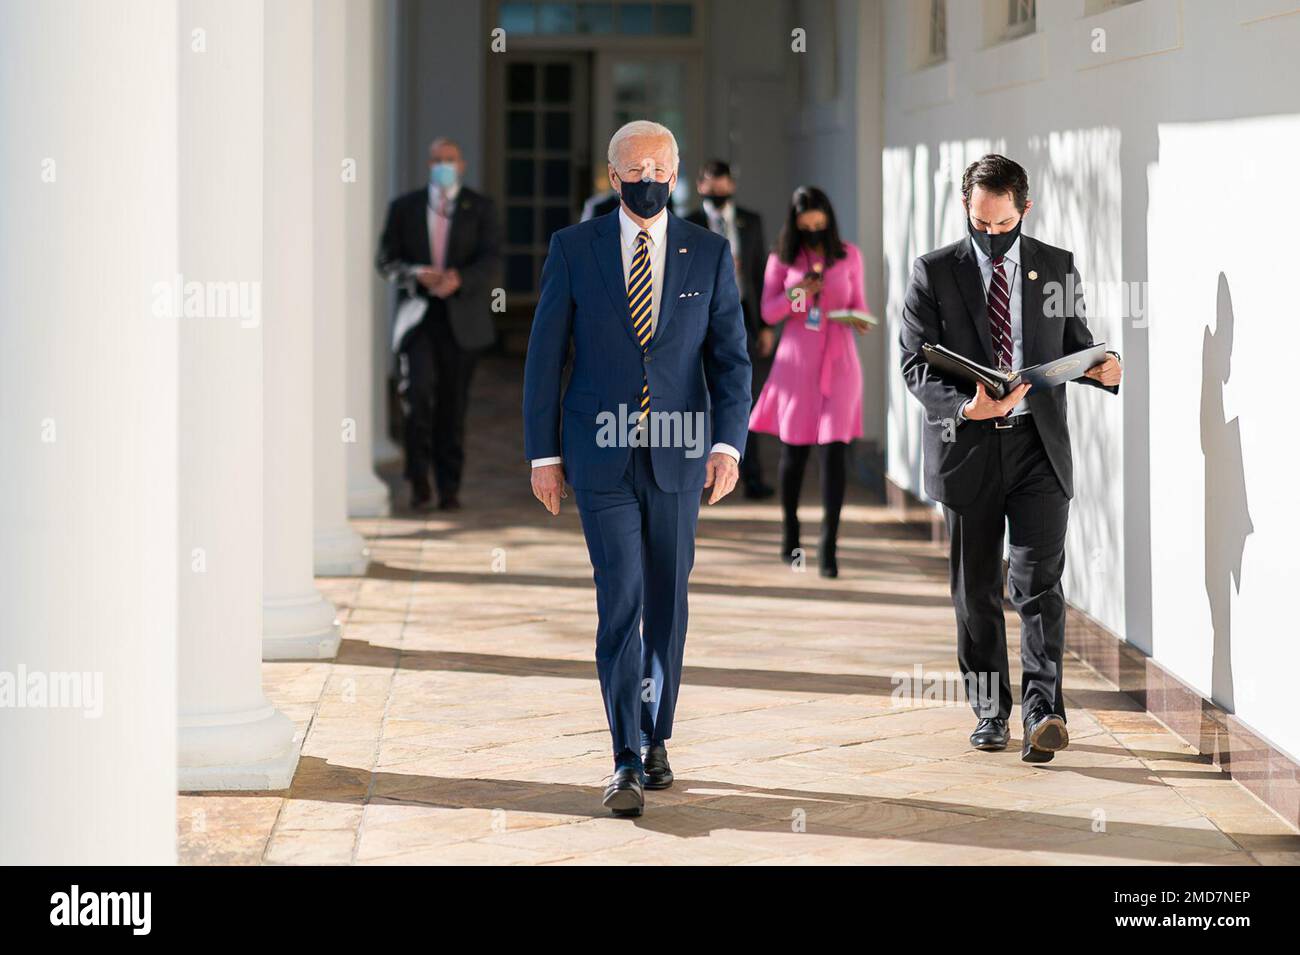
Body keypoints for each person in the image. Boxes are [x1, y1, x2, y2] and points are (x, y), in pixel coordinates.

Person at [522, 120, 751, 817]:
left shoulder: (708, 254)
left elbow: (731, 359)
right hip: (600, 457)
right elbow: (544, 356)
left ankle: (658, 736)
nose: (648, 178)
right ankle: (623, 754)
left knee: (667, 605)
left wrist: (728, 444)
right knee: (619, 600)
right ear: (613, 176)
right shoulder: (573, 248)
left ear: (675, 172)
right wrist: (544, 454)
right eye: (634, 168)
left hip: (681, 457)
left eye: (659, 166)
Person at [898, 154, 1122, 762]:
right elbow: (914, 364)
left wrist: (1102, 369)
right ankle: (991, 712)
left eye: (1002, 226)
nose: (991, 238)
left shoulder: (1055, 266)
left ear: (1025, 208)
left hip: (1037, 451)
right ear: (968, 211)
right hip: (967, 447)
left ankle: (1044, 714)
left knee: (1039, 584)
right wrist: (969, 408)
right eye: (980, 225)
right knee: (976, 590)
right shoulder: (934, 272)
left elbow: (1072, 343)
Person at [376, 136, 501, 512]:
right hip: (418, 319)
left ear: (461, 165)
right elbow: (386, 261)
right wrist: (417, 273)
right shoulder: (405, 207)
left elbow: (491, 259)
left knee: (453, 405)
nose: (443, 165)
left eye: (450, 158)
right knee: (416, 398)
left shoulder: (480, 207)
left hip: (462, 320)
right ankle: (418, 482)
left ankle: (449, 486)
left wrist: (460, 279)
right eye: (436, 159)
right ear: (428, 165)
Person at [749, 186, 869, 578]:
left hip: (840, 361)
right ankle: (791, 534)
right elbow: (769, 311)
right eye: (807, 226)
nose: (814, 231)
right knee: (795, 454)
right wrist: (797, 293)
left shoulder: (849, 255)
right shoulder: (782, 258)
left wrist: (857, 318)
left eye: (820, 224)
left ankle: (829, 546)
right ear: (796, 224)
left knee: (835, 455)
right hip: (797, 362)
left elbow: (861, 305)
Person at [685, 160, 774, 499]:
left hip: (743, 316)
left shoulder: (750, 221)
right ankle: (701, 472)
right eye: (712, 185)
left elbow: (762, 273)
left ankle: (749, 475)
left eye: (724, 184)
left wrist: (765, 324)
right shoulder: (688, 223)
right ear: (700, 186)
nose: (719, 190)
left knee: (742, 394)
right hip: (699, 317)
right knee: (701, 395)